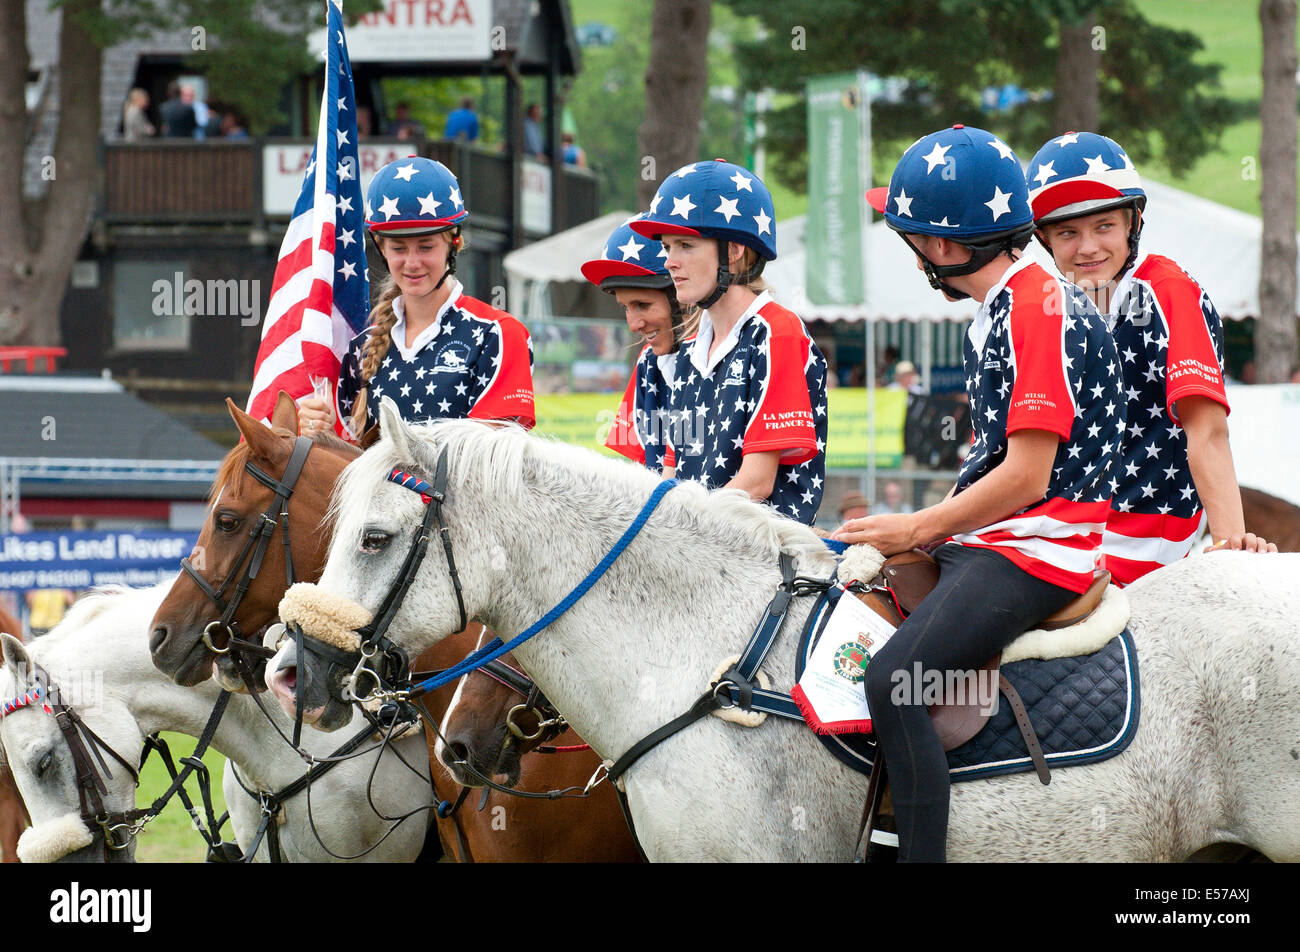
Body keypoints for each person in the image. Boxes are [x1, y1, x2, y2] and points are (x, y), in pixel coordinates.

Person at [839, 124, 1123, 862]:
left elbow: (1028, 475)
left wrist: (918, 527)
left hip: (1040, 549)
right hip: (1000, 536)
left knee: (895, 679)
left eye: (909, 237)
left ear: (939, 247)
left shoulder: (1035, 307)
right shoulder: (1004, 303)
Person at [1027, 131, 1276, 584]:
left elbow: (1208, 432)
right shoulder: (1058, 306)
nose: (1087, 247)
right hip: (1059, 528)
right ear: (1044, 239)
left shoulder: (1166, 290)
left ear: (1133, 221)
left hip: (1127, 542)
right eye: (1068, 232)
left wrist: (1231, 548)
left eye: (1104, 226)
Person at [630, 159, 828, 525]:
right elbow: (671, 473)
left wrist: (678, 532)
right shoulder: (689, 346)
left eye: (686, 245)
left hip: (760, 557)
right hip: (704, 548)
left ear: (734, 250)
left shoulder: (776, 331)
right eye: (668, 247)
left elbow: (756, 483)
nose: (670, 262)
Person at [297, 156, 535, 439]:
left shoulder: (498, 334)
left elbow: (490, 460)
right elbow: (350, 467)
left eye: (426, 247)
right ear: (381, 248)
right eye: (399, 248)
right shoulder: (361, 349)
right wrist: (322, 433)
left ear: (453, 242)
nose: (412, 262)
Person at [581, 214, 682, 471]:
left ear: (682, 295)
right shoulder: (649, 360)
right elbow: (637, 471)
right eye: (626, 307)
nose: (633, 324)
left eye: (643, 305)